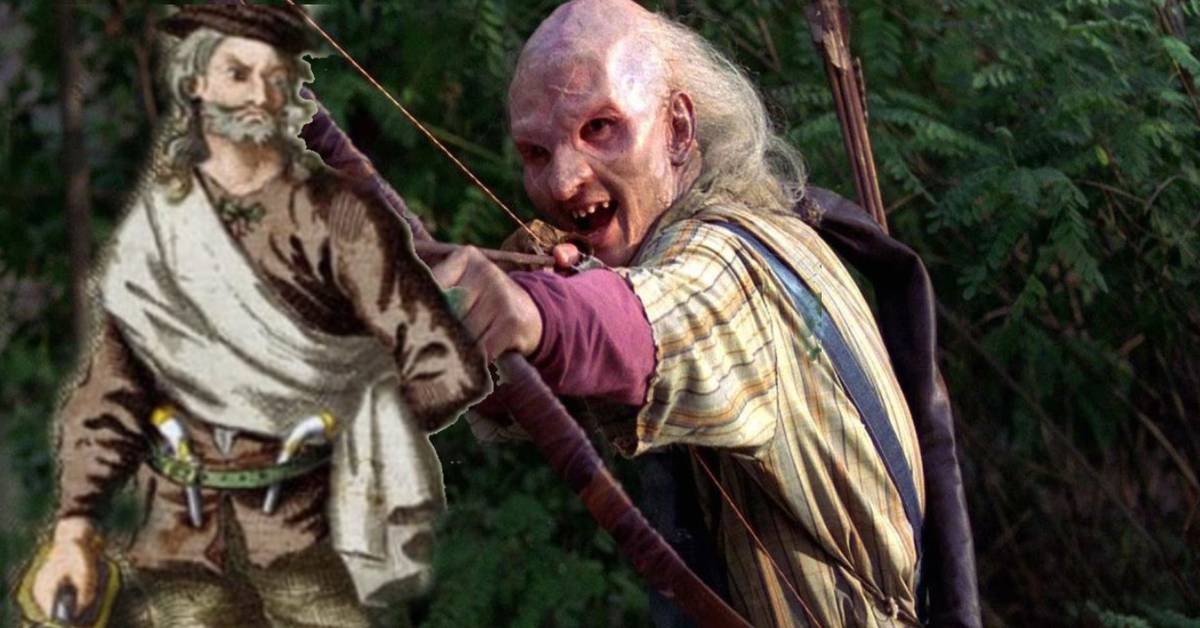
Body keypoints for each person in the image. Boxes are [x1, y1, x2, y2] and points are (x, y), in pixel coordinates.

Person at [434, 0, 945, 625]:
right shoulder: (732, 238)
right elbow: (538, 384)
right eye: (537, 152)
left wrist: (532, 312)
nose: (562, 182)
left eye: (600, 128)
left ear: (678, 129)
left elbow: (658, 325)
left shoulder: (733, 264)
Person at [27, 5, 487, 627]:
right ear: (196, 82)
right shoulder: (158, 231)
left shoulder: (339, 219)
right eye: (237, 73)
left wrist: (353, 424)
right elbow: (111, 392)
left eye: (273, 78)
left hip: (312, 552)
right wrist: (75, 525)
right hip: (179, 552)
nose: (257, 96)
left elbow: (443, 364)